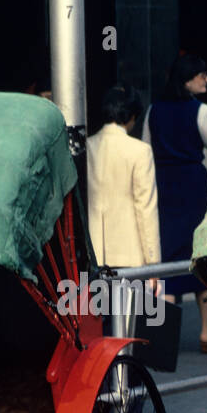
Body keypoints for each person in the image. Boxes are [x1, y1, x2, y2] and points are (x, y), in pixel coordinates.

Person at [142, 54, 207, 351]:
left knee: (167, 260)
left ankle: (163, 338)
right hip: (193, 188)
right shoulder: (201, 111)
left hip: (163, 188)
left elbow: (145, 152)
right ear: (186, 79)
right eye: (201, 74)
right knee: (200, 257)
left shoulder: (153, 110)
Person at [86, 84, 161, 286]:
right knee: (129, 316)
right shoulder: (140, 151)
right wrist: (153, 262)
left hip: (93, 254)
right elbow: (146, 209)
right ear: (133, 116)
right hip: (130, 254)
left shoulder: (86, 148)